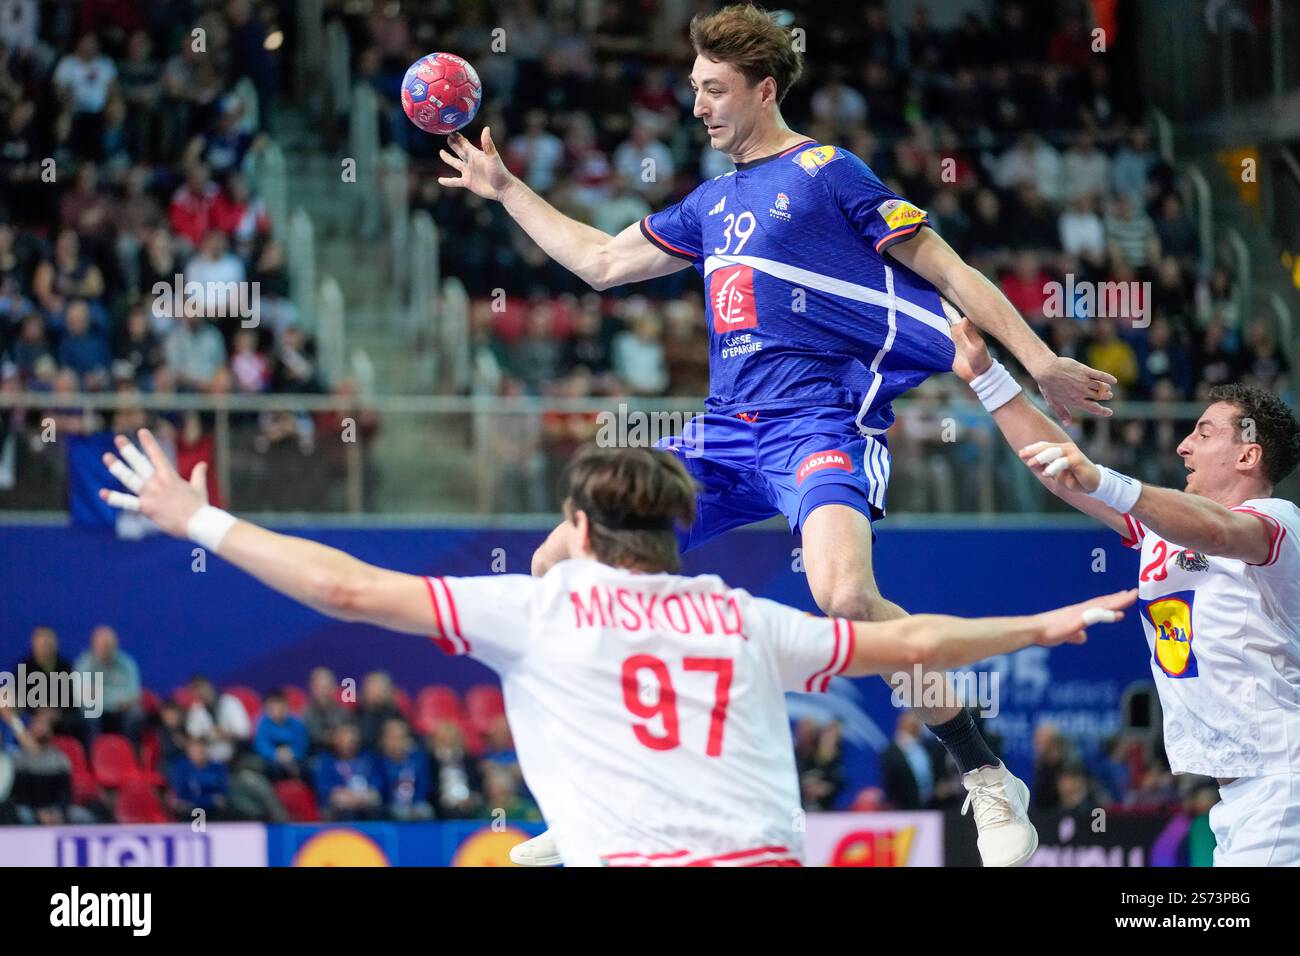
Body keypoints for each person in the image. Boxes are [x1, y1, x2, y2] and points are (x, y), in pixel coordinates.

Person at [438, 1, 1118, 866]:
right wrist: (507, 190)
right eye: (692, 88)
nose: (698, 106)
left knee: (843, 602)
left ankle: (985, 774)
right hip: (722, 435)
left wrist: (1039, 359)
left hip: (818, 427)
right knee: (555, 567)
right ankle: (603, 798)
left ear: (764, 89)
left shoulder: (830, 172)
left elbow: (946, 268)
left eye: (715, 89)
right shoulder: (709, 203)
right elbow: (603, 264)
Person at [95, 429, 1134, 866]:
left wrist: (196, 515)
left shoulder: (538, 609)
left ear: (580, 532)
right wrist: (1039, 623)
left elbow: (343, 587)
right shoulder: (739, 615)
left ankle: (569, 825)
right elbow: (910, 638)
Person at [949, 315, 1300, 866]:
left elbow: (1216, 531)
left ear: (1248, 455)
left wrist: (1106, 479)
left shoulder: (1277, 522)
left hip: (1284, 780)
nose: (1183, 445)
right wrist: (987, 375)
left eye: (1203, 433)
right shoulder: (1160, 528)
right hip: (1238, 792)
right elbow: (1060, 469)